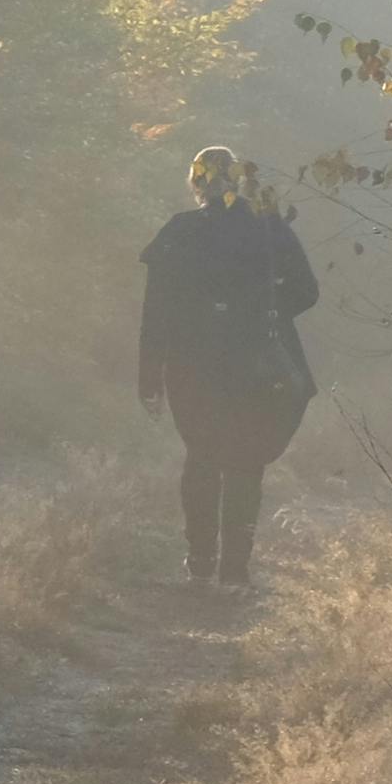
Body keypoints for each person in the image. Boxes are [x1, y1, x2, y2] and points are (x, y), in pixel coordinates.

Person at [138, 145, 318, 587]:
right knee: (245, 462)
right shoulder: (268, 225)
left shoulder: (179, 231)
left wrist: (149, 378)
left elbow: (156, 312)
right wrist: (266, 310)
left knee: (201, 457)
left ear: (196, 183)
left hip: (191, 365)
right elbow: (308, 291)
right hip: (255, 361)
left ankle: (199, 564)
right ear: (237, 180)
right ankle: (234, 571)